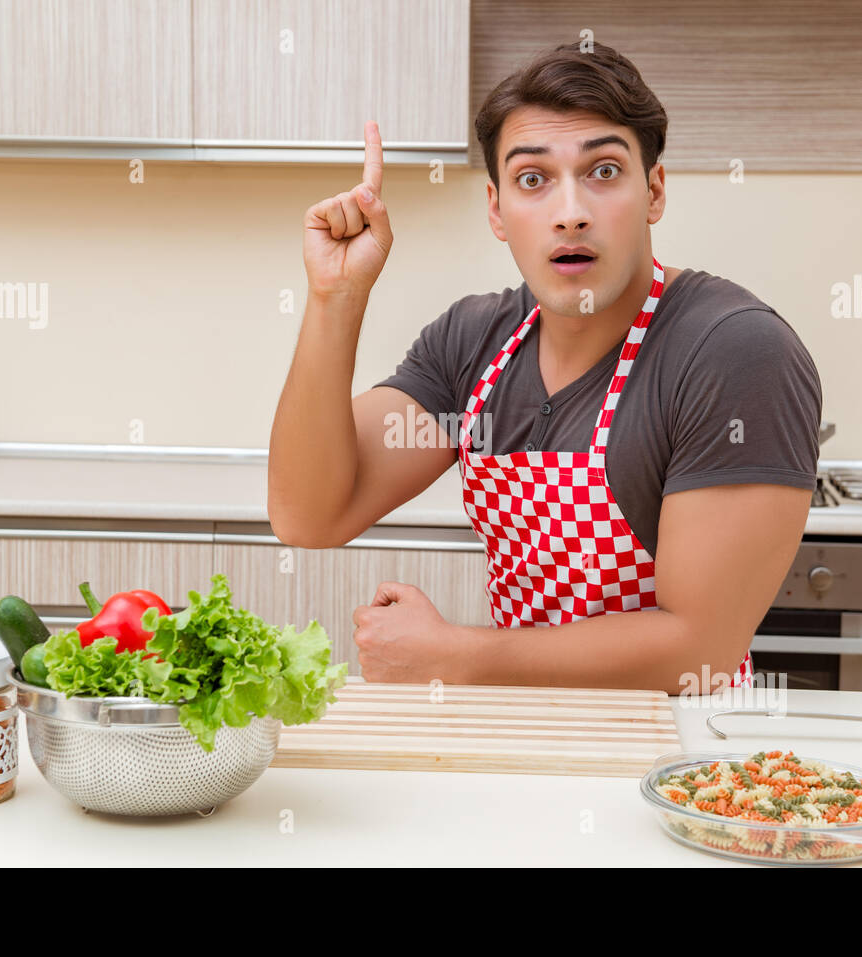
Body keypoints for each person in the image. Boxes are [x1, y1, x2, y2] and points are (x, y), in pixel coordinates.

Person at [268, 42, 821, 693]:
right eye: (533, 180)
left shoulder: (734, 351)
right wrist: (337, 297)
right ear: (498, 210)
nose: (570, 211)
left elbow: (696, 648)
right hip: (523, 738)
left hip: (680, 762)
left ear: (655, 190)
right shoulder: (473, 342)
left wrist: (455, 657)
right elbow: (309, 514)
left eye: (605, 171)